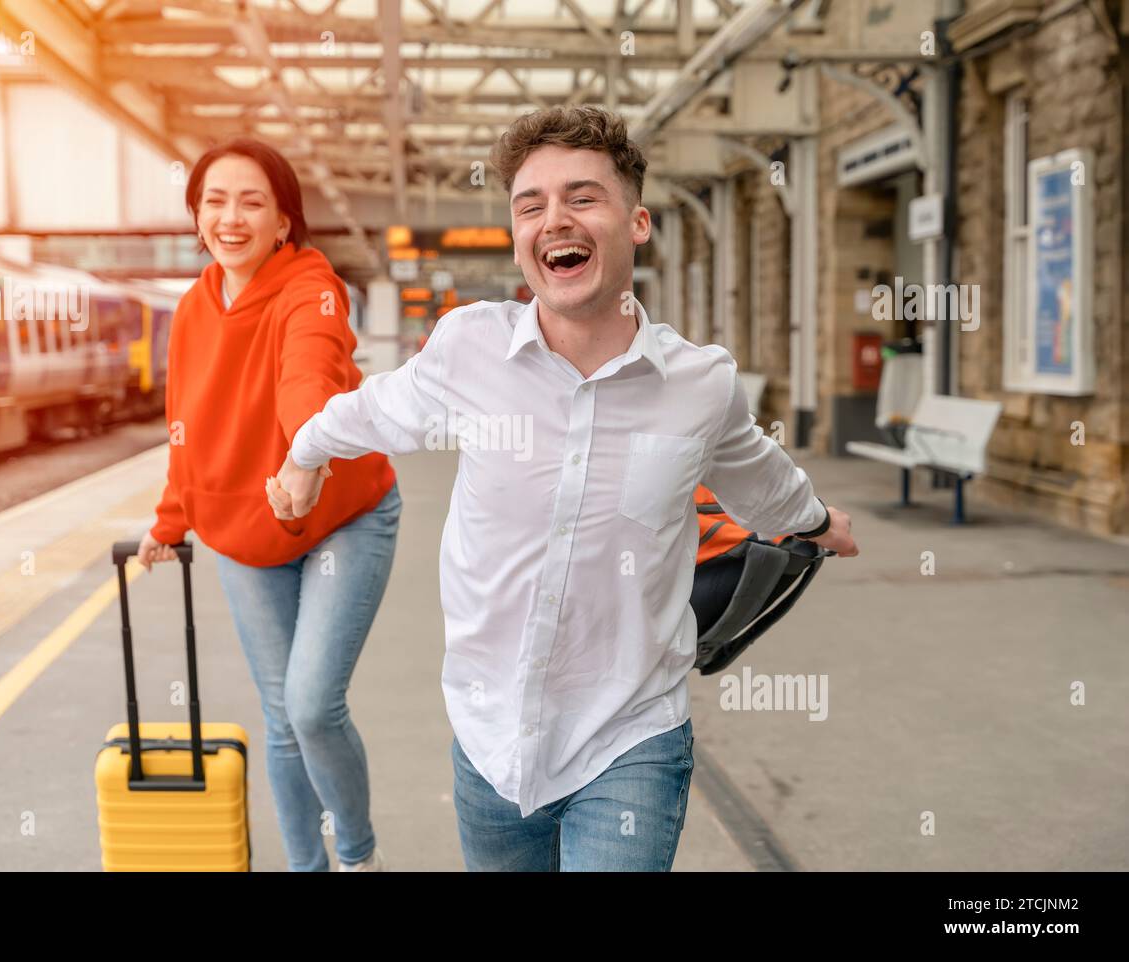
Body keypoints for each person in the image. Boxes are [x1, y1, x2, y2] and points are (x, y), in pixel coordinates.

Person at [268, 106, 858, 871]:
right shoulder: (468, 349)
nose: (554, 220)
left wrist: (816, 520)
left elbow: (760, 475)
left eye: (583, 197)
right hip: (490, 742)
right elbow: (369, 409)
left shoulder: (699, 384)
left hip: (631, 735)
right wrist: (304, 455)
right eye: (530, 204)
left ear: (637, 221)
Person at [137, 138, 400, 872]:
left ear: (284, 223)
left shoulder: (311, 287)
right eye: (214, 201)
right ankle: (304, 868)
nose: (231, 216)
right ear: (196, 218)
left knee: (313, 705)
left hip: (341, 515)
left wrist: (306, 455)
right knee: (283, 722)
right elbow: (185, 424)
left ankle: (355, 855)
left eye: (253, 201)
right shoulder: (192, 310)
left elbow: (306, 375)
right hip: (247, 533)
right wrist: (170, 521)